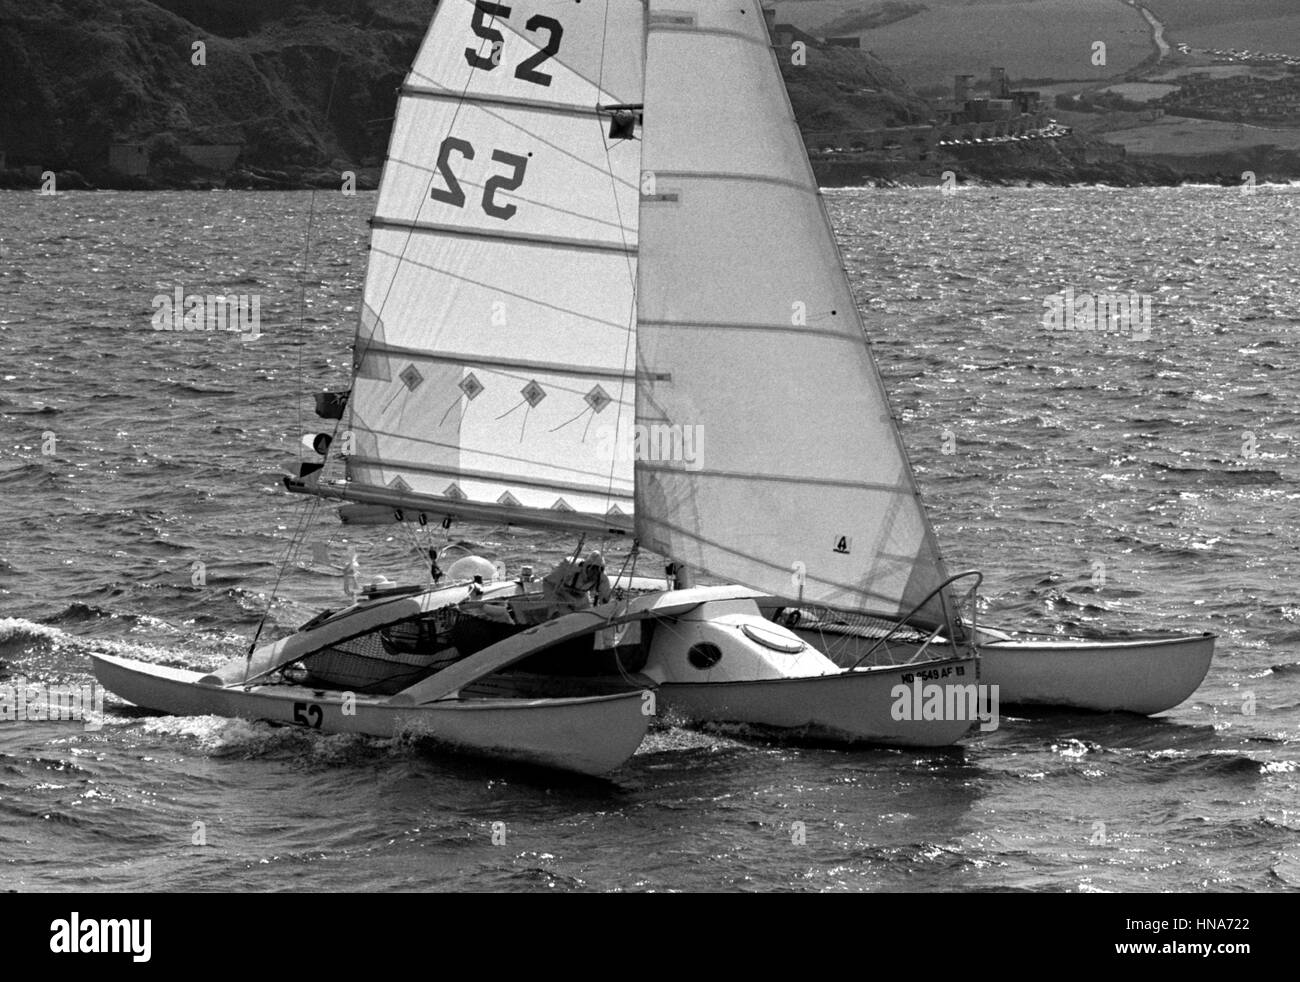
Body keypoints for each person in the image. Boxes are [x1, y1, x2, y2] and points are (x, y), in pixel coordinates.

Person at [542, 550, 612, 614]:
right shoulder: (569, 568)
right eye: (593, 569)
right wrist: (553, 607)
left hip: (581, 599)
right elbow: (547, 582)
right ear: (586, 566)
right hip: (561, 596)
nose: (595, 573)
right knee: (565, 616)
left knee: (587, 616)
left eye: (599, 570)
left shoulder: (602, 578)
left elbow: (605, 598)